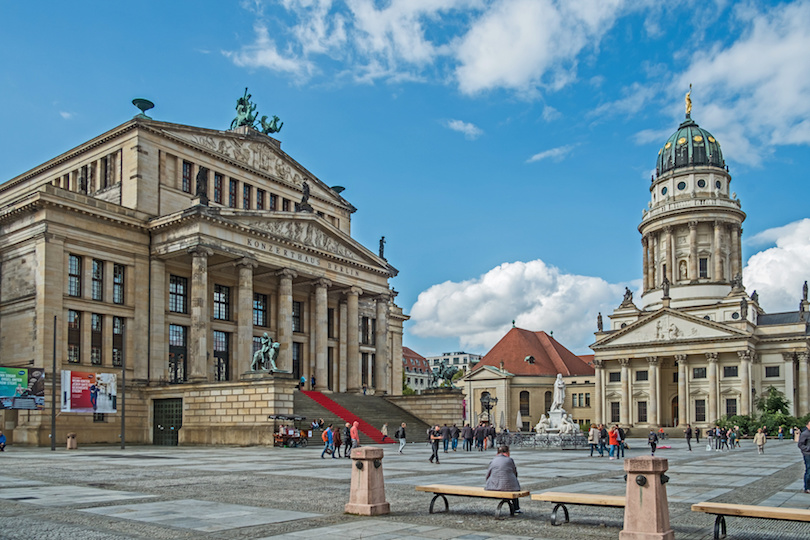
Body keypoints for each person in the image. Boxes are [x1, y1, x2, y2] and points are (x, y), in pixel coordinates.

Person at [485, 445, 522, 514]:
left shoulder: (493, 460)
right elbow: (515, 472)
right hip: (509, 487)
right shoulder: (510, 460)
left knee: (510, 486)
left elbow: (488, 474)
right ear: (507, 452)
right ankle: (516, 508)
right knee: (513, 487)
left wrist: (488, 482)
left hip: (494, 486)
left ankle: (516, 508)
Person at [798, 420, 810, 493]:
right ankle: (807, 487)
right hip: (808, 454)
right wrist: (807, 449)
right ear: (807, 426)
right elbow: (800, 444)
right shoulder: (805, 434)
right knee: (809, 471)